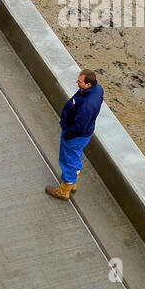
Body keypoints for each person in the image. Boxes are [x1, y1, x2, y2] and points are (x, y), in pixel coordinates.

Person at [46, 69, 104, 200]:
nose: (77, 82)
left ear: (88, 84)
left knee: (68, 161)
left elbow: (79, 126)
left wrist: (67, 133)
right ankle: (73, 183)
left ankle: (64, 191)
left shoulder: (87, 105)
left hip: (75, 136)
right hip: (85, 134)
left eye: (80, 81)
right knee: (76, 155)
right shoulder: (97, 89)